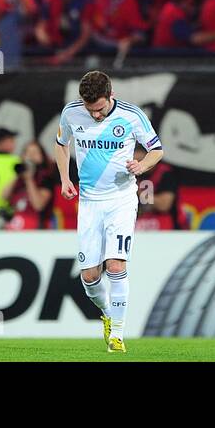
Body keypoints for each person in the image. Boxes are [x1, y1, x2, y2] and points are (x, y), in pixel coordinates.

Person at [54, 70, 163, 353]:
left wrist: (143, 166)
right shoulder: (71, 113)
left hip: (121, 199)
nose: (96, 115)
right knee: (90, 277)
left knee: (115, 265)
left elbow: (156, 150)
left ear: (110, 95)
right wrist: (65, 179)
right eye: (91, 110)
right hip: (89, 203)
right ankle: (107, 313)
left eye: (100, 109)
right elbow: (61, 145)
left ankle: (117, 335)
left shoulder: (131, 115)